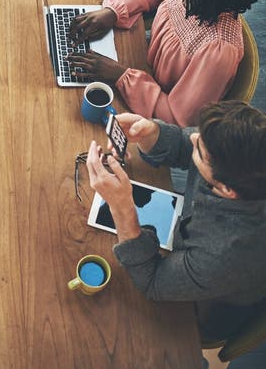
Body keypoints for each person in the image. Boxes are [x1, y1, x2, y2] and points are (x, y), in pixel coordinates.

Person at [85, 101, 266, 342]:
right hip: (189, 247)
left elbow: (153, 282)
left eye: (201, 150)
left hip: (197, 311)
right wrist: (153, 134)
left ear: (226, 189)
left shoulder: (225, 255)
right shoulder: (240, 157)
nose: (193, 138)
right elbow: (187, 142)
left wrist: (122, 209)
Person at [68, 0, 261, 126]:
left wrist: (120, 74)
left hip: (152, 111)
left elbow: (176, 118)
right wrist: (114, 12)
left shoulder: (218, 51)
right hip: (143, 65)